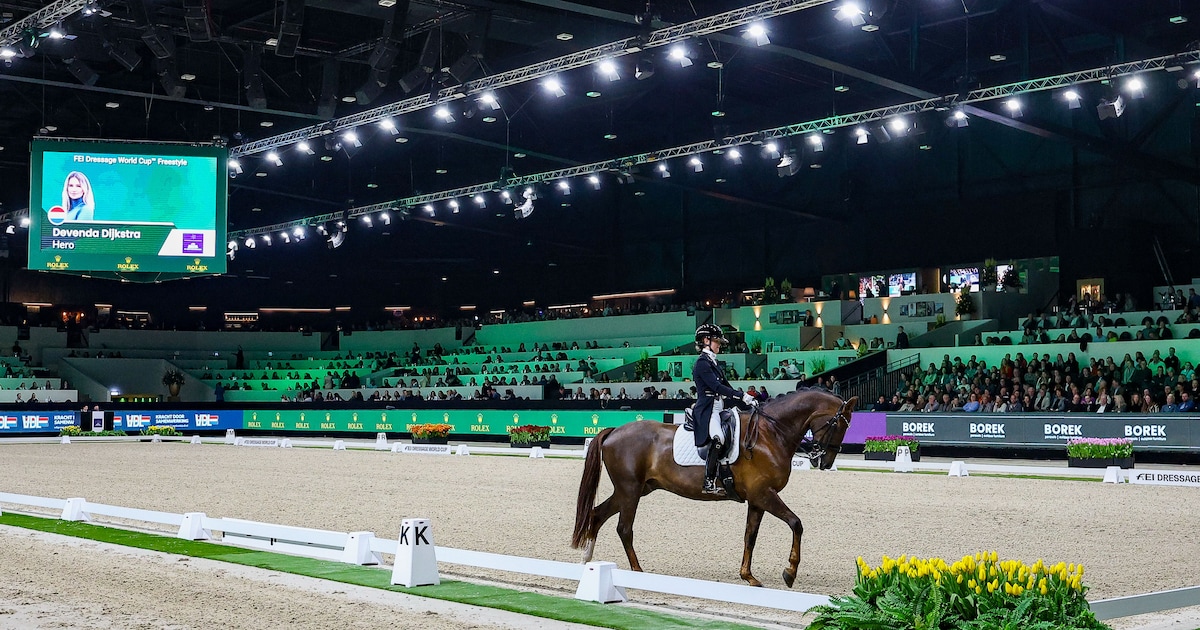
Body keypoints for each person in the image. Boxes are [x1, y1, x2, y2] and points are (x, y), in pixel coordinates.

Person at [691, 324, 755, 495]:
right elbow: (717, 387)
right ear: (706, 341)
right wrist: (741, 395)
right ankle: (708, 481)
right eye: (716, 341)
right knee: (718, 438)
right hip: (708, 409)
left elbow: (727, 386)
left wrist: (746, 401)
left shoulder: (713, 362)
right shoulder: (702, 363)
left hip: (719, 407)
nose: (719, 345)